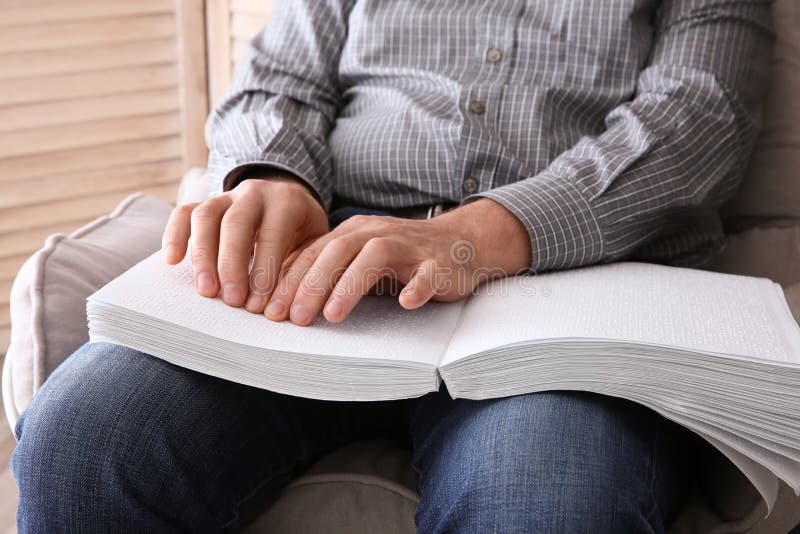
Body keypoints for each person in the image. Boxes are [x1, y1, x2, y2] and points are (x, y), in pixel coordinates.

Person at [12, 0, 773, 531]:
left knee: (543, 508)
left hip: (573, 282)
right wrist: (276, 175)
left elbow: (699, 119)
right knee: (82, 444)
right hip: (329, 251)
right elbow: (276, 83)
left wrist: (479, 235)